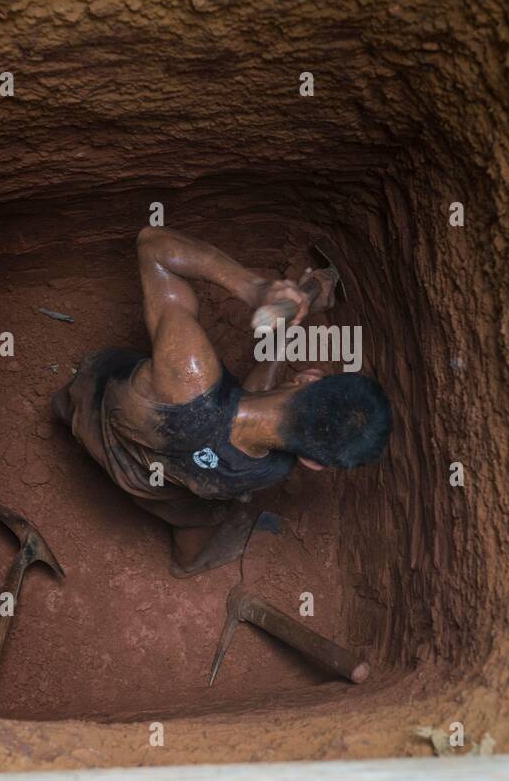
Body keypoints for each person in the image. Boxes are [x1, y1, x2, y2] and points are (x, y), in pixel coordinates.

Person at [52, 226, 392, 577]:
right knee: (206, 515)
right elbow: (250, 407)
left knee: (77, 398)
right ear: (312, 462)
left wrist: (254, 287)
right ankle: (188, 565)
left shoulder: (186, 373)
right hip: (155, 489)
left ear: (310, 375)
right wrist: (286, 333)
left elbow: (153, 246)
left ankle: (61, 415)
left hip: (99, 420)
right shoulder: (271, 468)